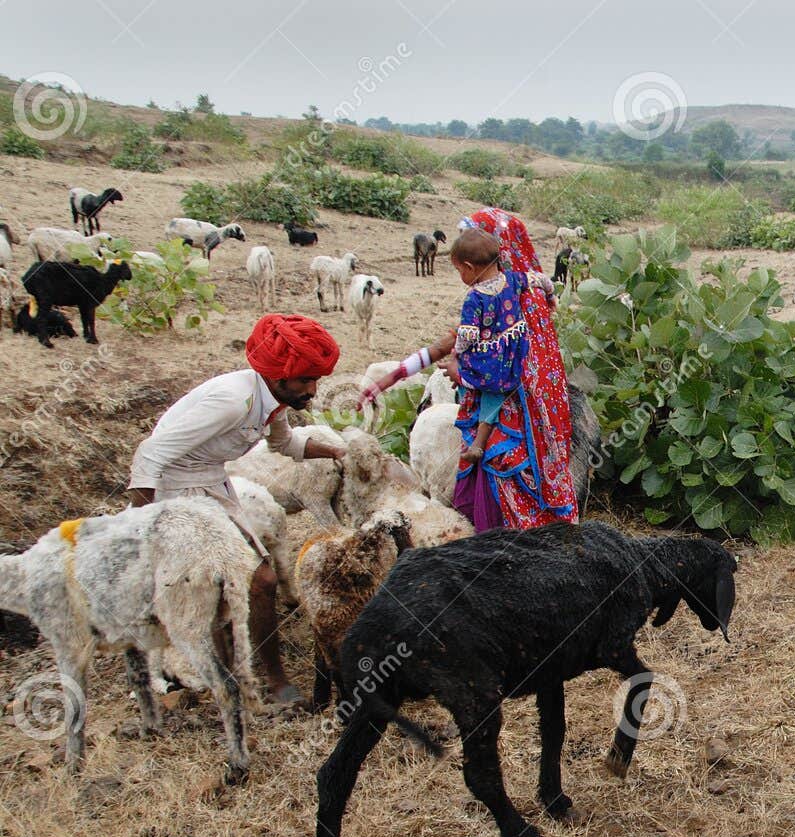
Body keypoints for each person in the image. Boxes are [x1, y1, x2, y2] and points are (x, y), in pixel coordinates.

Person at [127, 313, 346, 706]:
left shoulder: (274, 401)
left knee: (260, 581)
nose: (312, 389)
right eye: (305, 380)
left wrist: (336, 451)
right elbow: (151, 454)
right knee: (225, 586)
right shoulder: (233, 401)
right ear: (279, 375)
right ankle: (231, 677)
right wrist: (141, 524)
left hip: (212, 483)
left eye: (316, 379)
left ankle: (270, 679)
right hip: (175, 490)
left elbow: (287, 445)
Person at [365, 207, 576, 529]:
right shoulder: (509, 294)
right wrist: (387, 380)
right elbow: (443, 346)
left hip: (513, 445)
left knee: (506, 522)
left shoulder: (523, 307)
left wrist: (462, 373)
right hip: (493, 434)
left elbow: (517, 375)